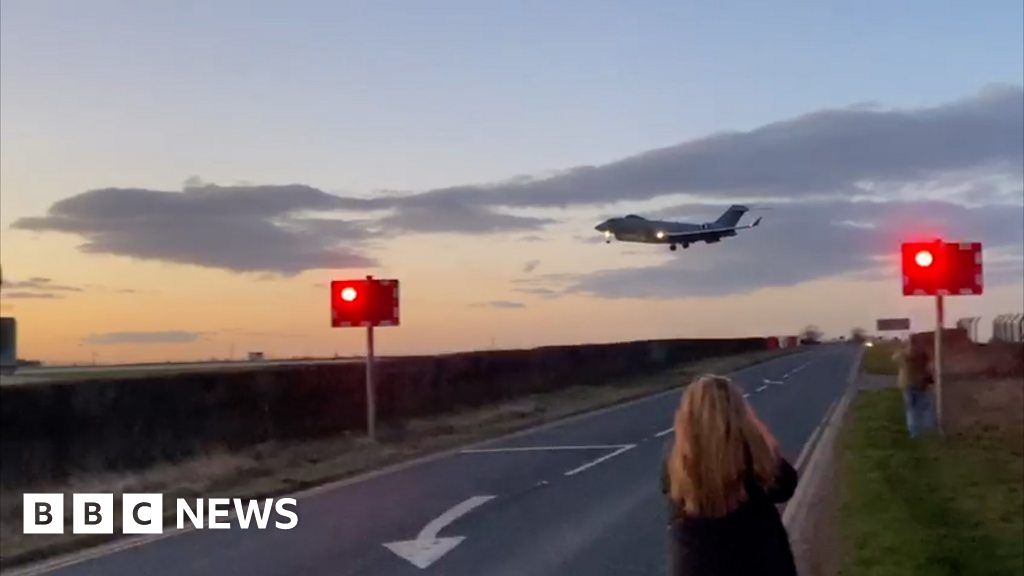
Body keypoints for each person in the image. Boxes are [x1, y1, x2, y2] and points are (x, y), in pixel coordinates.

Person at [661, 374, 798, 576]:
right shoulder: (752, 452)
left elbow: (669, 493)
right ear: (739, 413)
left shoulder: (675, 460)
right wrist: (761, 433)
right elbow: (786, 487)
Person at [892, 340, 936, 438]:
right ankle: (927, 430)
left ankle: (914, 433)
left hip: (906, 384)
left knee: (911, 409)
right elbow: (929, 364)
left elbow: (894, 358)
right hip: (920, 383)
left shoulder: (903, 355)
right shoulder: (922, 355)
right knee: (924, 407)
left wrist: (901, 349)